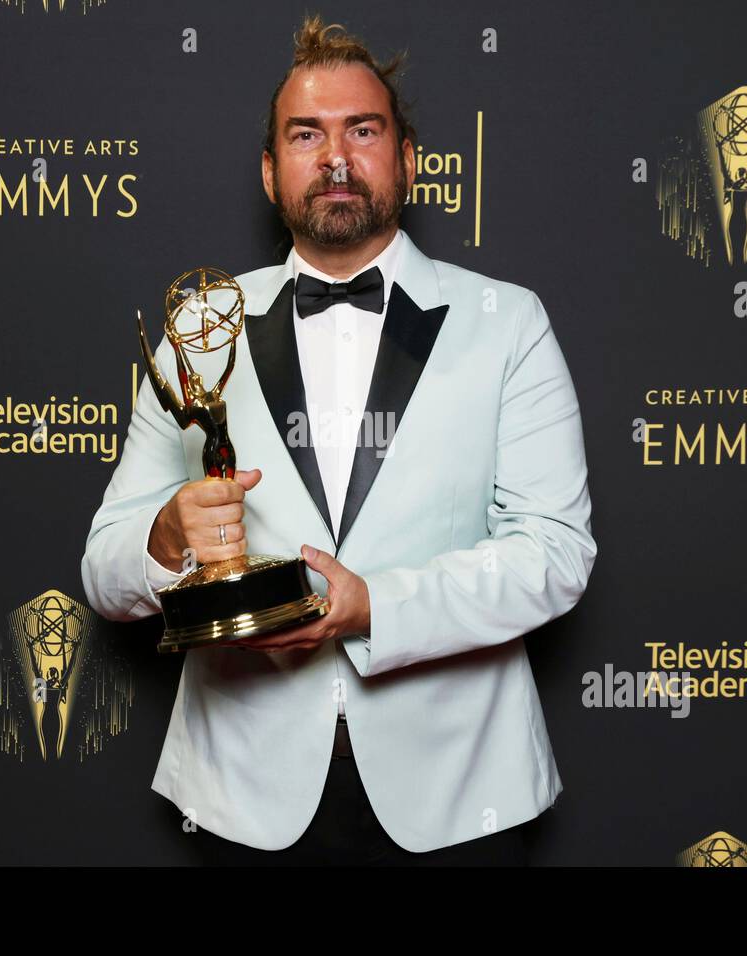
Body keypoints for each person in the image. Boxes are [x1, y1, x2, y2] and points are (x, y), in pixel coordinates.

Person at [81, 15, 597, 866]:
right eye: (305, 134)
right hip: (244, 796)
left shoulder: (509, 323)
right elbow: (105, 567)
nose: (334, 157)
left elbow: (555, 551)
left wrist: (375, 608)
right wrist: (166, 538)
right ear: (269, 171)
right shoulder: (199, 327)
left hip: (463, 795)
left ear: (408, 158)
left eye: (363, 130)